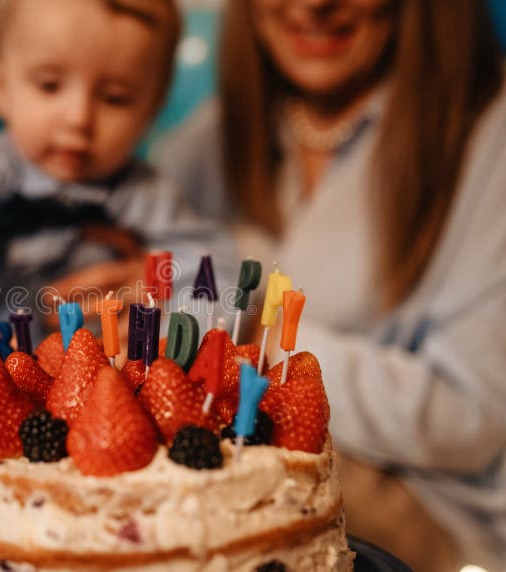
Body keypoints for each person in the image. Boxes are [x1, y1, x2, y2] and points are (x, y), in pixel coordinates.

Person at [152, 0, 506, 570]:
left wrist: (249, 335)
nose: (315, 5)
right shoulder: (200, 147)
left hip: (436, 515)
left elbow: (470, 418)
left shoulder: (490, 136)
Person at [0, 0, 235, 371]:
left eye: (115, 98)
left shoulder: (145, 192)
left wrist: (171, 328)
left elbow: (209, 267)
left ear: (151, 111)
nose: (79, 118)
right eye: (50, 86)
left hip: (100, 381)